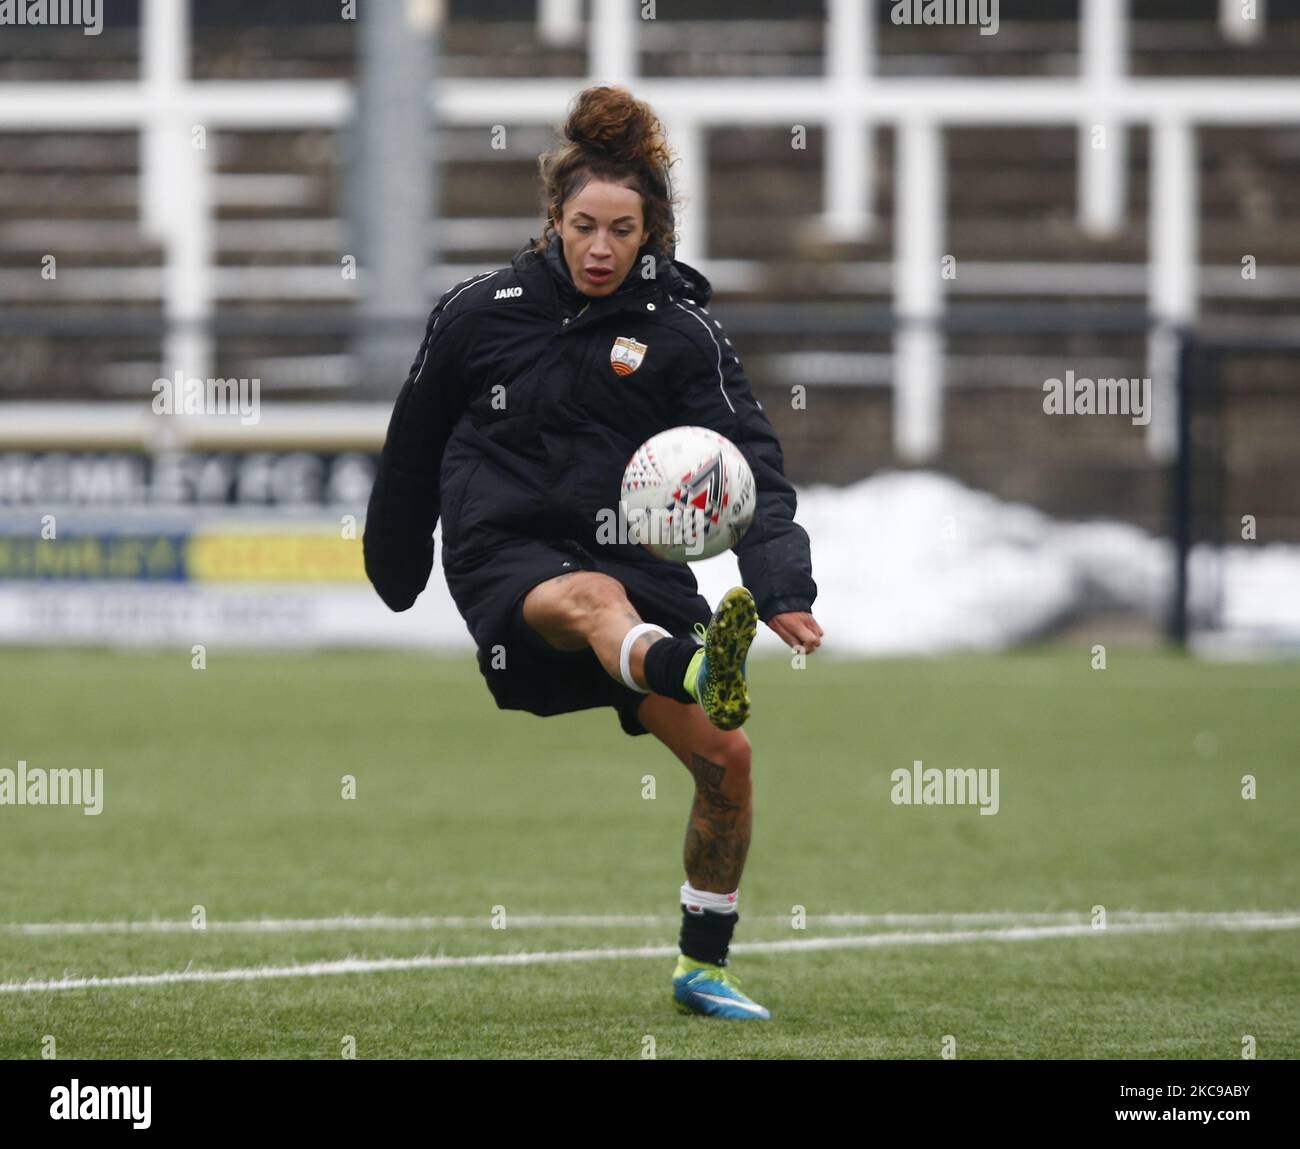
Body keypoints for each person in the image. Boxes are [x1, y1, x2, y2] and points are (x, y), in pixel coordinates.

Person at [363, 83, 822, 1021]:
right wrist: (396, 565)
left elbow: (755, 466)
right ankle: (696, 666)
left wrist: (778, 581)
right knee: (587, 598)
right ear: (554, 220)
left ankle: (704, 964)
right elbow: (411, 444)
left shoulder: (684, 333)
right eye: (585, 226)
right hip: (509, 550)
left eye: (623, 229)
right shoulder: (477, 312)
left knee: (727, 760)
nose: (602, 248)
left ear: (653, 229)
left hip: (642, 565)